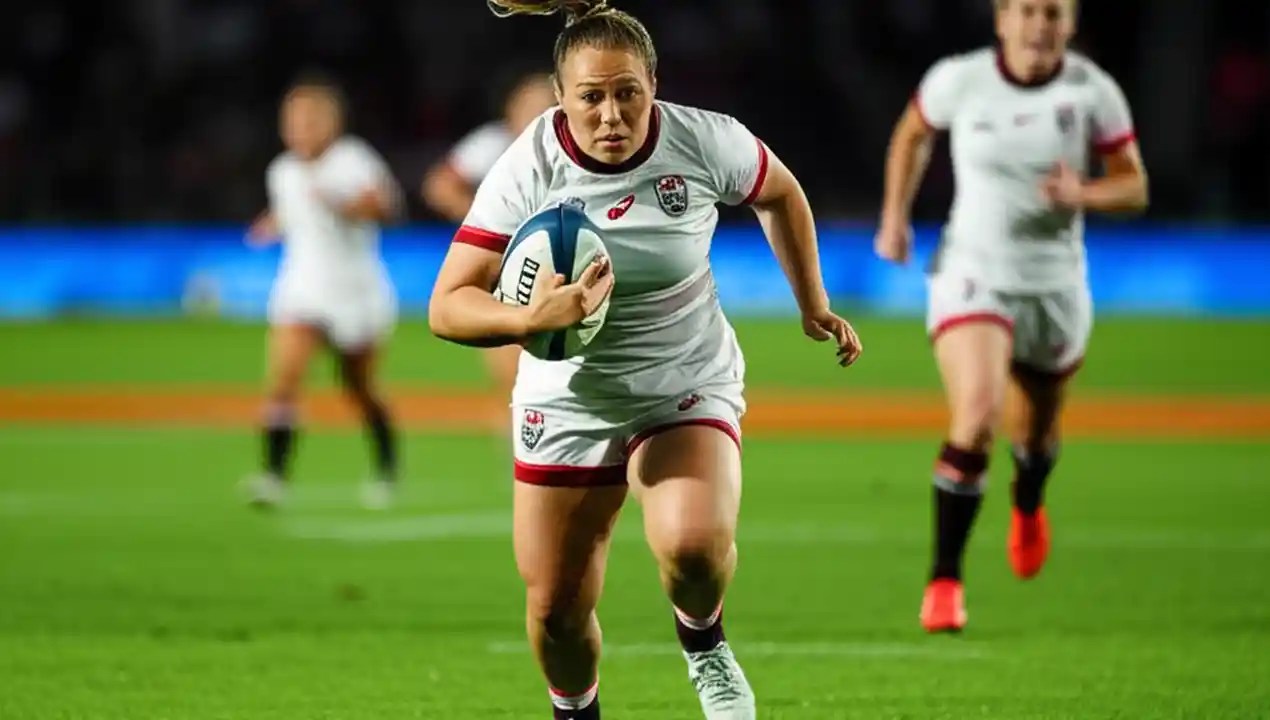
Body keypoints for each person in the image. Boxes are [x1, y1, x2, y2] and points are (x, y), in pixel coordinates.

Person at [428, 2, 862, 717]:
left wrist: (811, 303)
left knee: (693, 548)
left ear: (653, 83)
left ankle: (705, 645)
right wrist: (527, 319)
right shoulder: (528, 164)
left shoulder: (702, 141)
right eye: (590, 97)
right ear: (560, 97)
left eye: (626, 91)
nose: (610, 113)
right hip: (568, 395)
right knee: (556, 610)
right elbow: (448, 303)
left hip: (683, 377)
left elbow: (781, 193)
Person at [874, 0, 1149, 633]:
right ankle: (945, 580)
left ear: (1071, 24)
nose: (1038, 25)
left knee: (1036, 438)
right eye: (1026, 11)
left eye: (1052, 13)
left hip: (1054, 283)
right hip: (973, 270)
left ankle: (1028, 498)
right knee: (976, 417)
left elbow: (1134, 185)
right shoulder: (960, 80)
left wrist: (1084, 193)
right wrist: (895, 215)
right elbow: (913, 132)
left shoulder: (1093, 93)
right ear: (1002, 20)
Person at [243, 76, 406, 511]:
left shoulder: (353, 160)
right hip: (302, 289)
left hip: (356, 294)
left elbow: (386, 208)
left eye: (311, 119)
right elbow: (290, 212)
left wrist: (344, 204)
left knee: (359, 387)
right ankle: (273, 477)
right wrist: (268, 226)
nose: (301, 129)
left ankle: (387, 467)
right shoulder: (282, 170)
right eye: (293, 121)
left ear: (332, 123)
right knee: (283, 380)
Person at [422, 71, 558, 400]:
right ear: (511, 110)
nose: (537, 115)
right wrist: (488, 226)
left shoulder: (574, 147)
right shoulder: (491, 144)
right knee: (518, 386)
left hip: (563, 269)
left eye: (547, 106)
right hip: (503, 276)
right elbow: (439, 185)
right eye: (530, 106)